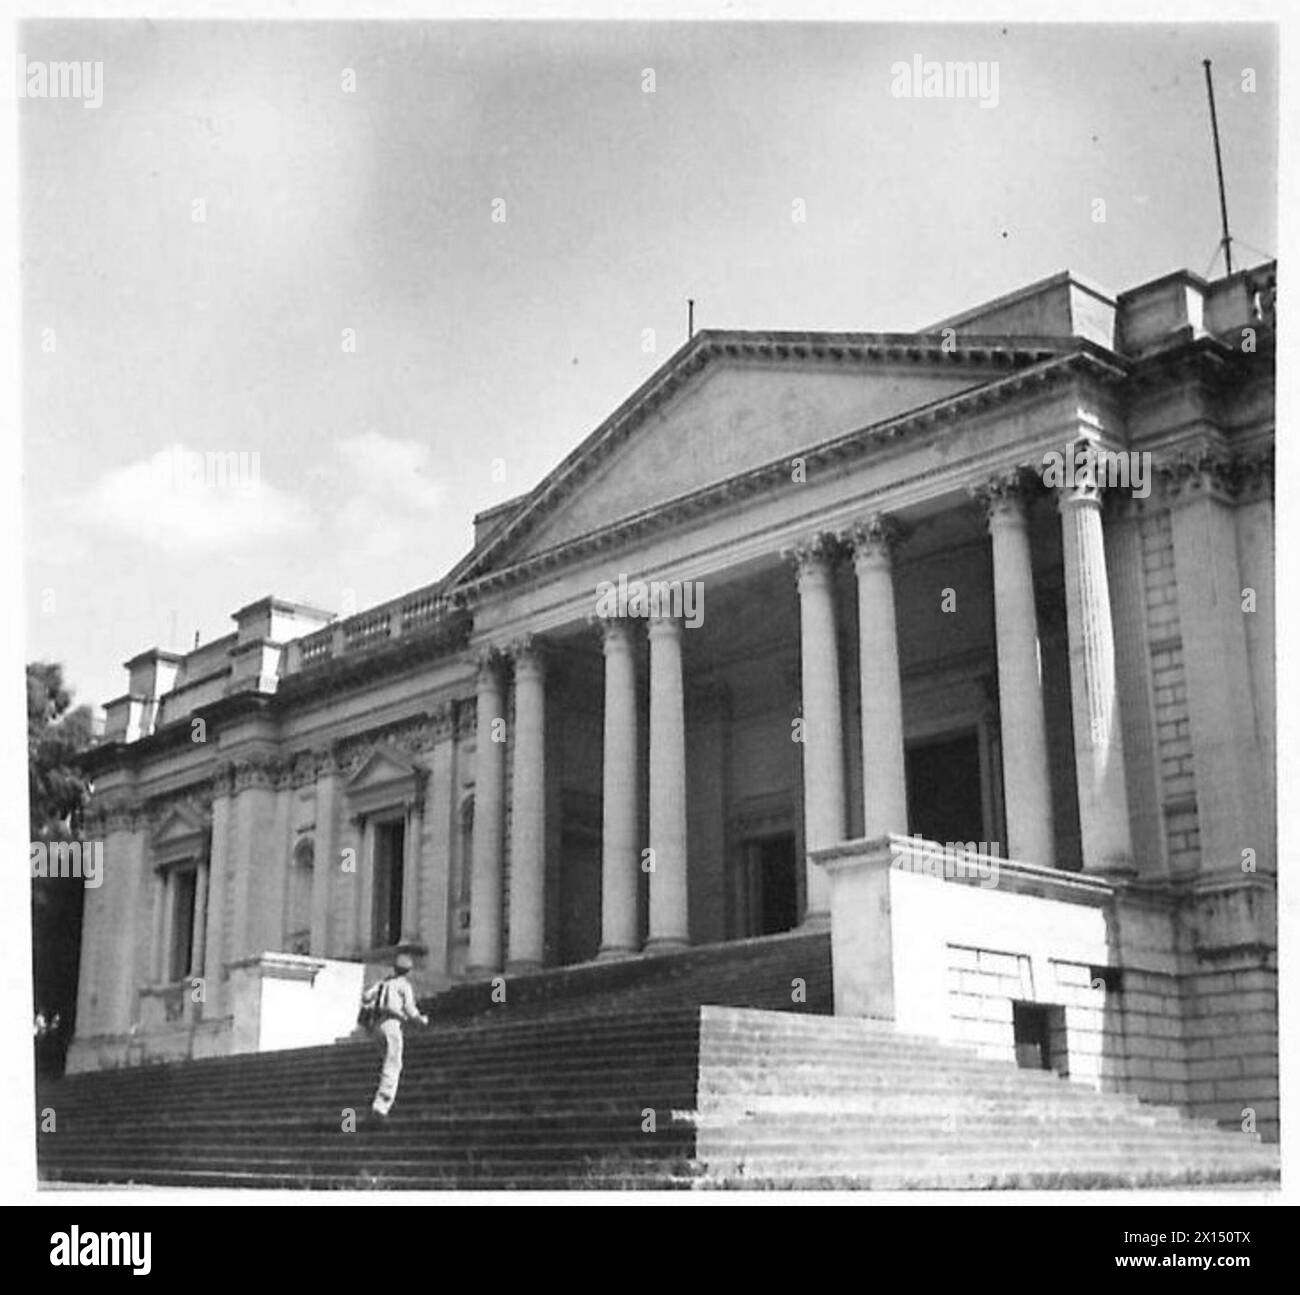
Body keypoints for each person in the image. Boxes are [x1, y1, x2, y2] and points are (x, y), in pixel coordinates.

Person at [362, 952, 429, 1121]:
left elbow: (366, 996)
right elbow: (410, 1009)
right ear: (408, 971)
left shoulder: (383, 983)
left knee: (385, 1062)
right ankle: (381, 1105)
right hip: (392, 1025)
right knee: (393, 1064)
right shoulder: (403, 985)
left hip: (377, 1026)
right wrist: (421, 1020)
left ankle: (375, 1098)